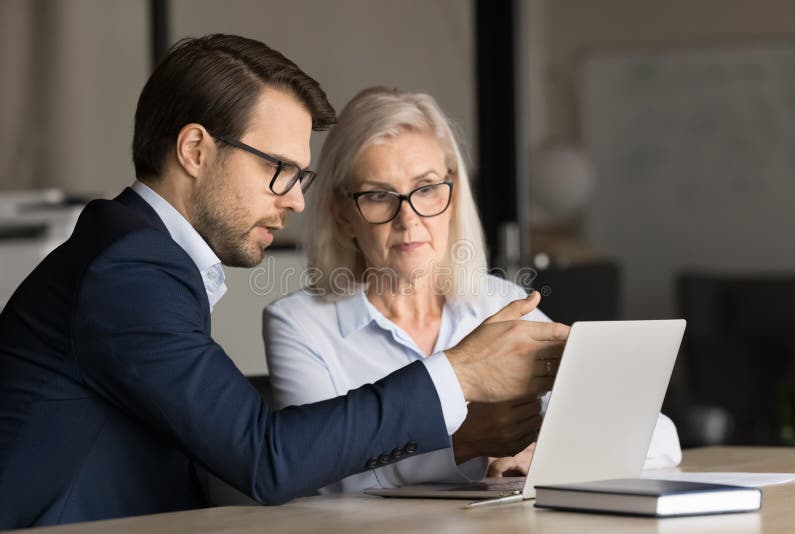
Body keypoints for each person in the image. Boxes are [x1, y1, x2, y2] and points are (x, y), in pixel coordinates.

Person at [0, 35, 569, 529]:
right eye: (279, 170)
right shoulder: (128, 273)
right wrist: (461, 373)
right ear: (195, 150)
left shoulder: (137, 257)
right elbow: (267, 458)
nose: (296, 200)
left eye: (302, 176)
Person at [263, 87, 682, 494]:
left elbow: (659, 435)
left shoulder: (500, 304)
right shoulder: (300, 325)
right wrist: (464, 445)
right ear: (342, 214)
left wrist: (546, 452)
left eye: (426, 189)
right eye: (378, 195)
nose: (408, 220)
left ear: (454, 191)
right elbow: (319, 477)